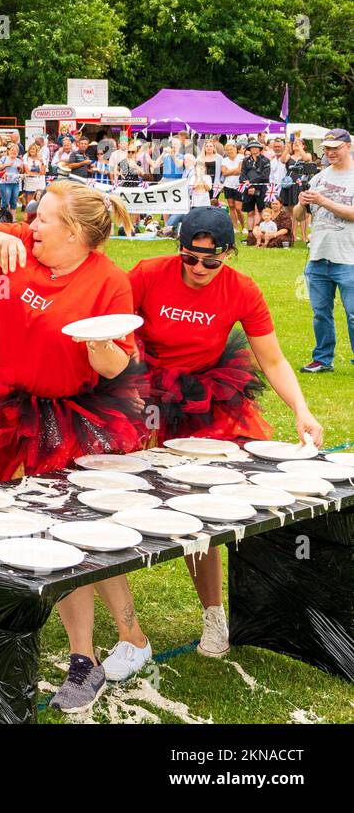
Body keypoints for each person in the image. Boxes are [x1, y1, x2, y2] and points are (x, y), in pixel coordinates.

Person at [0, 181, 146, 713]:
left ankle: (86, 658)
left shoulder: (109, 281)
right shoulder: (21, 242)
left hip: (66, 415)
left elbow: (123, 368)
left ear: (74, 232)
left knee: (70, 535)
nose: (33, 222)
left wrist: (100, 348)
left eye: (45, 218)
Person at [92, 207, 326, 678]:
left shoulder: (241, 289)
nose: (198, 269)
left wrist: (301, 410)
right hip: (143, 385)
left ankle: (214, 615)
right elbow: (115, 329)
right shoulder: (148, 273)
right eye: (189, 258)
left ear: (228, 255)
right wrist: (129, 379)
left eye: (210, 261)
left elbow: (274, 359)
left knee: (204, 507)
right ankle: (126, 627)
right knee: (108, 493)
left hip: (205, 394)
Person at [299, 129, 354, 373]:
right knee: (320, 313)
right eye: (327, 148)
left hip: (349, 257)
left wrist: (323, 201)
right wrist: (301, 204)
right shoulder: (318, 178)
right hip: (318, 255)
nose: (330, 152)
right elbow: (299, 217)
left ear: (348, 146)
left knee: (353, 315)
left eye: (335, 147)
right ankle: (322, 359)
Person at [240, 140, 271, 232]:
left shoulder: (265, 160)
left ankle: (262, 231)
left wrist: (251, 183)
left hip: (261, 188)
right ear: (249, 149)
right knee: (250, 212)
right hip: (248, 188)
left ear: (259, 149)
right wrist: (250, 186)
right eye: (252, 147)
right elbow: (242, 174)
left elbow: (265, 176)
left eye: (256, 147)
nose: (254, 149)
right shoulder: (245, 160)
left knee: (262, 211)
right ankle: (250, 234)